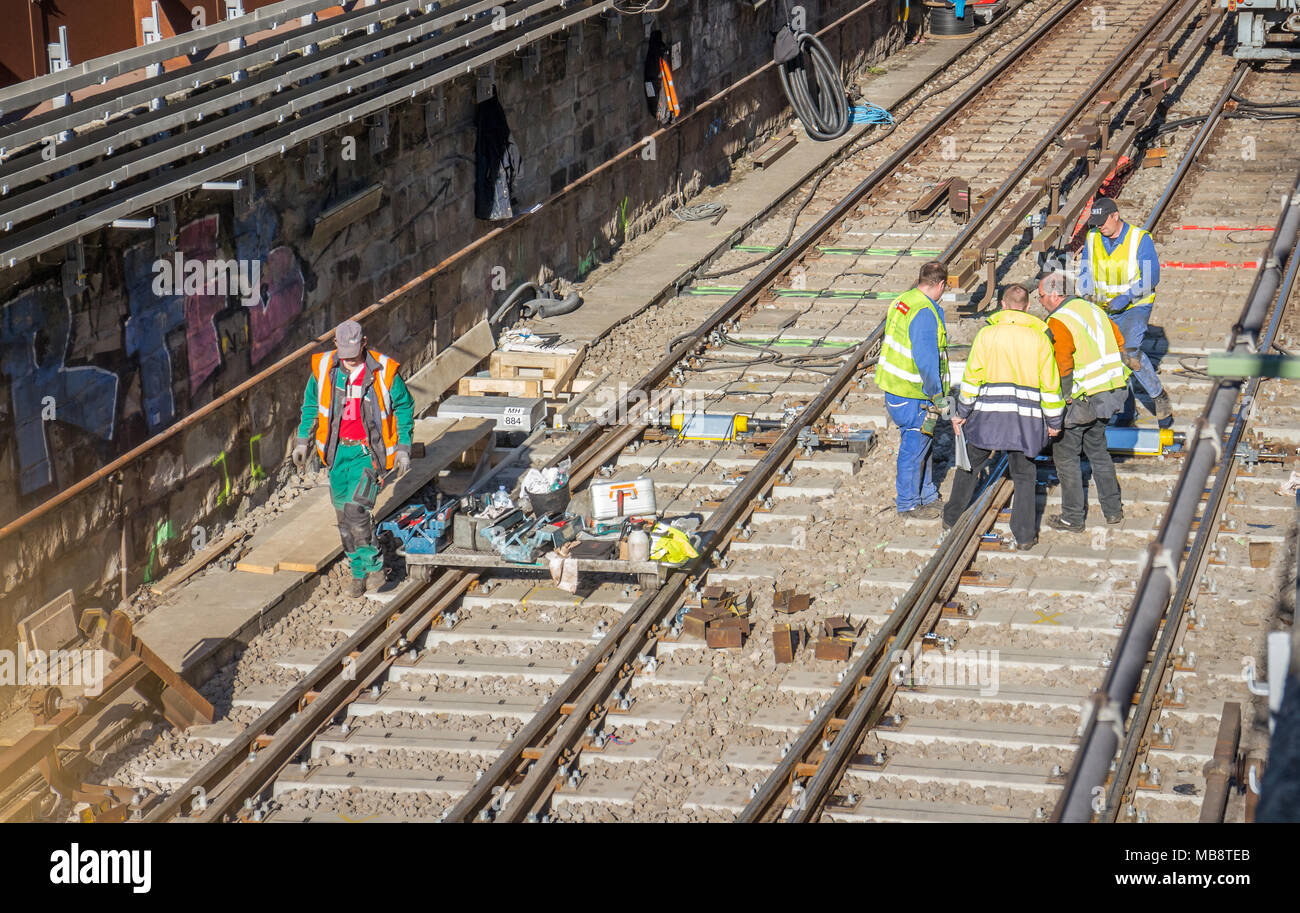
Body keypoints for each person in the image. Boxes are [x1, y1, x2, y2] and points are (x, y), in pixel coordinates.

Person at [293, 320, 415, 598]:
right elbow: (312, 405)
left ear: (364, 343)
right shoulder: (325, 369)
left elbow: (404, 408)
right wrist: (303, 440)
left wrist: (404, 447)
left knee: (356, 512)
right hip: (337, 454)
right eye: (344, 355)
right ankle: (358, 574)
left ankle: (374, 566)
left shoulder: (384, 371)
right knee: (343, 520)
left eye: (354, 354)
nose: (349, 361)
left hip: (367, 454)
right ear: (335, 346)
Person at [943, 285, 1064, 549]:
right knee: (1024, 475)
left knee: (969, 466)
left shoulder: (987, 335)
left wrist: (962, 413)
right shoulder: (1041, 339)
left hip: (988, 417)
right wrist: (1055, 422)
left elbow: (971, 379)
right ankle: (1024, 536)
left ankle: (951, 517)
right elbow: (1050, 386)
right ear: (1028, 306)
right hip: (1026, 420)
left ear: (1003, 305)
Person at [1037, 272, 1128, 531]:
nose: (1041, 302)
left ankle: (1073, 517)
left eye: (1041, 296)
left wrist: (1062, 398)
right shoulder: (1094, 310)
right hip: (1106, 395)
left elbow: (1063, 362)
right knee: (1099, 453)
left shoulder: (1059, 320)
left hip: (1079, 400)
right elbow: (1120, 342)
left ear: (1055, 295)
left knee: (1066, 458)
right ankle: (1113, 511)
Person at [1078, 196, 1173, 428]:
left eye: (1103, 222)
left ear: (1115, 216)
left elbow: (1151, 276)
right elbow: (1085, 271)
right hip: (1104, 307)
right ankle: (1126, 409)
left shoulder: (1140, 240)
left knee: (1129, 350)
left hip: (1135, 305)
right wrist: (1085, 292)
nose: (1100, 227)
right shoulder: (1093, 238)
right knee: (1111, 357)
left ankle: (1158, 396)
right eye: (1096, 223)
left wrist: (1128, 296)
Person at [875, 260, 950, 519]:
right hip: (912, 393)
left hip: (895, 389)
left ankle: (927, 494)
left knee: (923, 443)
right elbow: (927, 360)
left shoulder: (903, 300)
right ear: (940, 285)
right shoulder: (925, 313)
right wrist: (937, 395)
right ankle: (908, 502)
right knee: (913, 446)